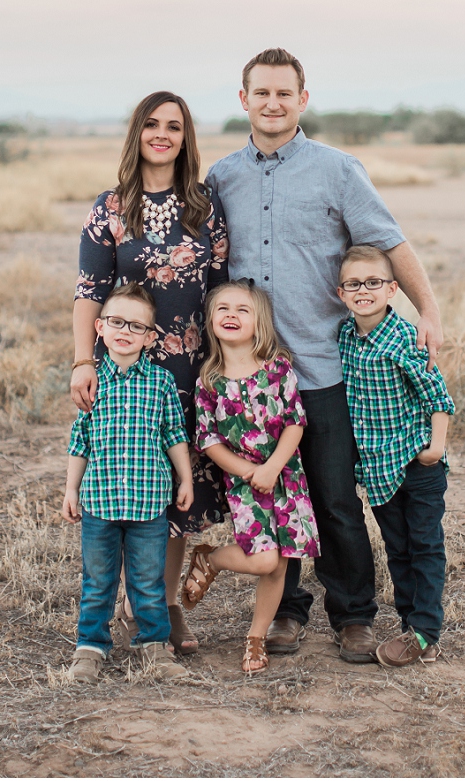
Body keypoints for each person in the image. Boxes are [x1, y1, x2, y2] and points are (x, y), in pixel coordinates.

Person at [205, 47, 444, 664]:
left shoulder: (338, 170)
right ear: (244, 100)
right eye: (261, 93)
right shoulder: (222, 177)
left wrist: (430, 310)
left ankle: (353, 614)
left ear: (303, 99)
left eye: (285, 93)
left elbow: (390, 240)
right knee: (272, 499)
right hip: (253, 381)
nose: (273, 103)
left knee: (335, 498)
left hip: (323, 370)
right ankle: (286, 610)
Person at [70, 91, 229, 656]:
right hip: (123, 371)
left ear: (186, 139)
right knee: (125, 483)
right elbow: (89, 294)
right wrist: (83, 361)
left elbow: (219, 291)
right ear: (136, 131)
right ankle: (123, 609)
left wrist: (226, 365)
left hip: (189, 371)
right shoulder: (110, 209)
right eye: (153, 124)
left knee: (174, 497)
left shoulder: (203, 208)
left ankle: (159, 610)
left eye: (175, 127)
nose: (163, 134)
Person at [181, 279, 320, 674]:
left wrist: (273, 466)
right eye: (223, 308)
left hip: (285, 477)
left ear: (259, 322)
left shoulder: (277, 367)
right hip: (245, 485)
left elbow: (295, 421)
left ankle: (256, 636)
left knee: (278, 566)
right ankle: (213, 559)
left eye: (243, 310)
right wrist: (248, 472)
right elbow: (208, 440)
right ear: (210, 321)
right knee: (263, 561)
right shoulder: (209, 380)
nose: (231, 315)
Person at [62, 283, 194, 682]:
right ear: (100, 327)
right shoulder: (92, 382)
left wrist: (185, 479)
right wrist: (71, 490)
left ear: (150, 337)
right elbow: (79, 440)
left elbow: (174, 434)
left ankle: (154, 646)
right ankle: (90, 647)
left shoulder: (160, 383)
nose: (125, 331)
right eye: (117, 322)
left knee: (148, 581)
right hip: (100, 502)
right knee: (98, 581)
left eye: (136, 326)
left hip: (148, 503)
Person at [336, 244, 455, 665]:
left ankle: (425, 631)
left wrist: (434, 448)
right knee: (398, 547)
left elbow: (437, 395)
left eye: (373, 282)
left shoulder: (405, 336)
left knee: (425, 544)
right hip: (378, 468)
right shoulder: (345, 338)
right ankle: (410, 626)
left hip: (416, 462)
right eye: (353, 284)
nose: (363, 290)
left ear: (392, 289)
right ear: (341, 293)